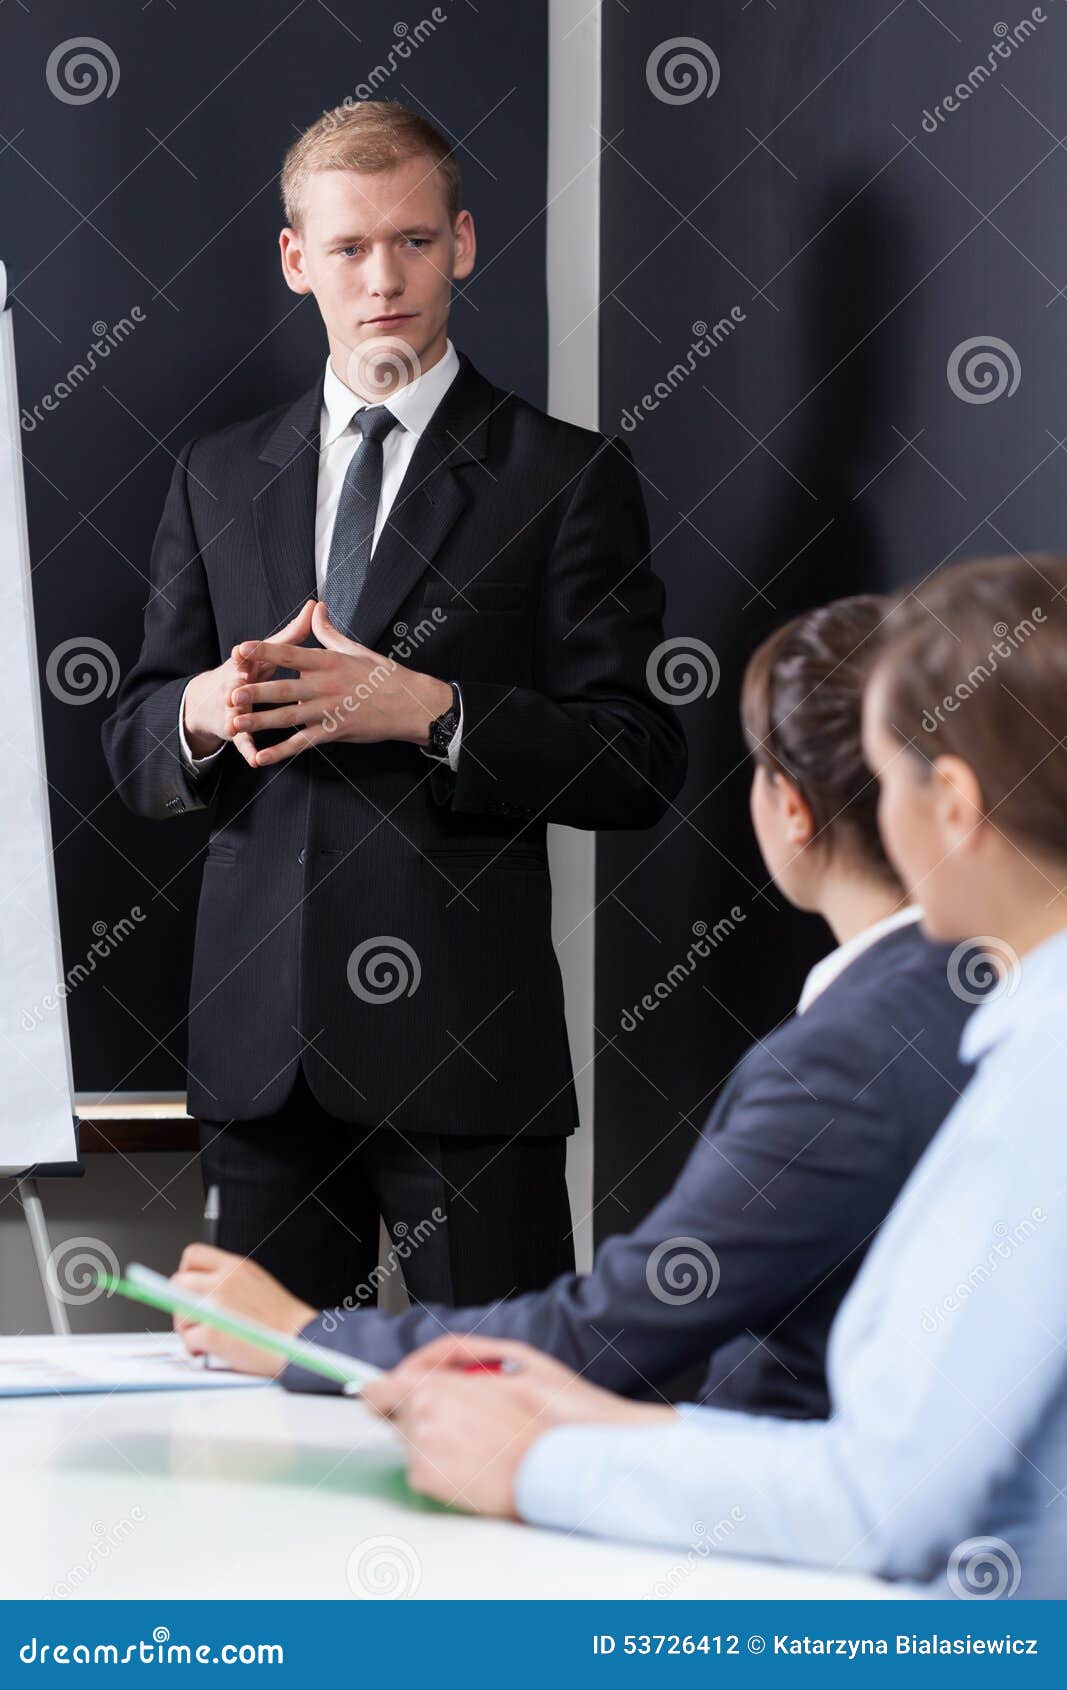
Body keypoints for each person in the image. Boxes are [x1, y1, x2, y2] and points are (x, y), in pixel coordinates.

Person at [361, 553, 1067, 1599]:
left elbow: (889, 1503)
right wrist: (624, 1424)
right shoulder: (1013, 1037)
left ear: (952, 805)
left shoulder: (1036, 1076)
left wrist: (534, 1462)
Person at [100, 99, 686, 1312]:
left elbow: (637, 757)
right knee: (254, 1438)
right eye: (352, 247)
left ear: (463, 244)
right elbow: (136, 746)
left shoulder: (566, 476)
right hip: (258, 1070)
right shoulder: (215, 474)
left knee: (497, 1408)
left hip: (471, 1063)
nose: (385, 278)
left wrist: (432, 709)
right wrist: (203, 708)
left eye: (415, 241)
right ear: (295, 259)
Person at [173, 595, 982, 1429]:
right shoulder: (997, 1009)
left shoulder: (838, 1062)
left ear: (790, 811)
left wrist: (303, 1335)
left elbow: (609, 1332)